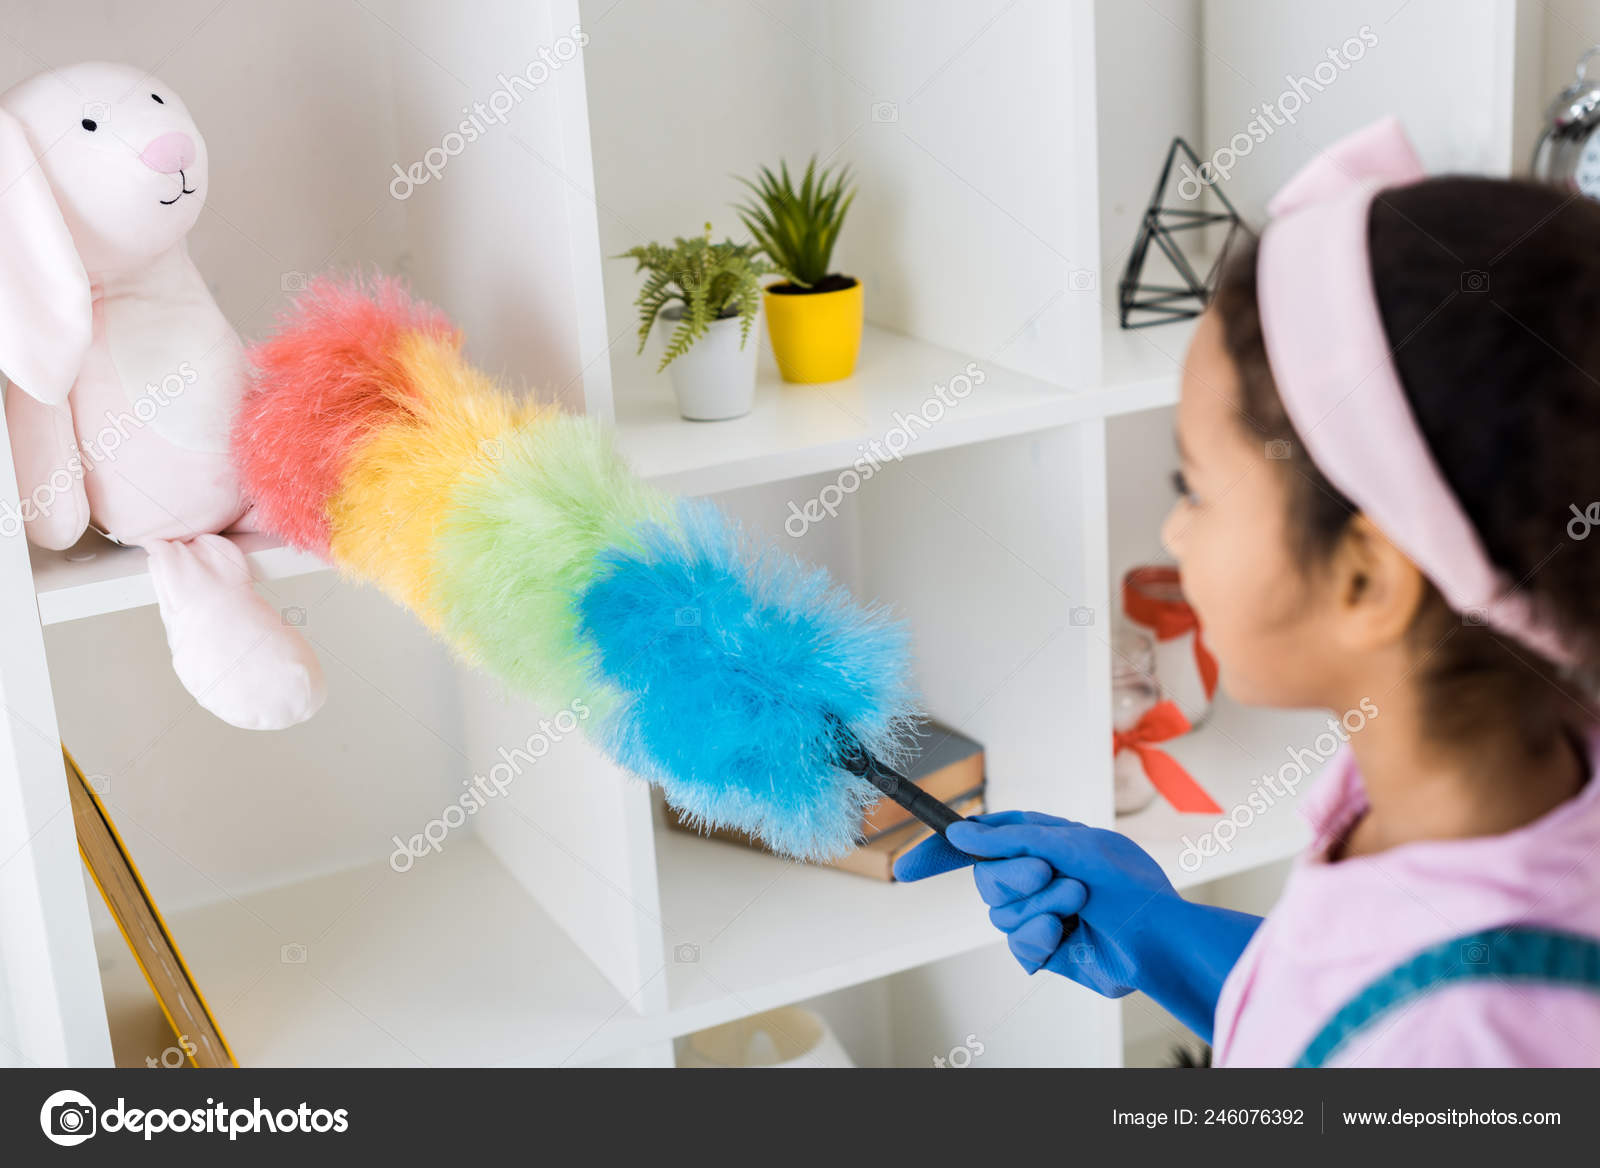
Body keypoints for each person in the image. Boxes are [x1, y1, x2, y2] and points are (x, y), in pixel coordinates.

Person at [897, 118, 1600, 1067]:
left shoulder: (1462, 1044)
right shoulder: (1487, 784)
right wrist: (1162, 936)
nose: (1174, 533)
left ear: (1366, 578)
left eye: (1192, 487)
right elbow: (1353, 1003)